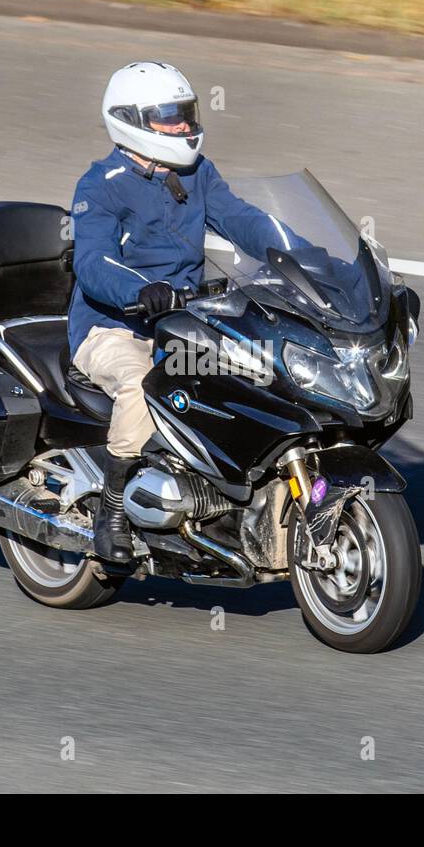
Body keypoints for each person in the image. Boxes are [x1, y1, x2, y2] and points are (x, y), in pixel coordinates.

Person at [68, 60, 309, 564]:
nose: (183, 126)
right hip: (114, 327)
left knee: (259, 373)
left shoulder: (197, 172)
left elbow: (241, 218)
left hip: (185, 322)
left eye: (186, 114)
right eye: (168, 117)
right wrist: (145, 289)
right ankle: (111, 510)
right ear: (130, 121)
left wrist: (300, 253)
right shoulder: (101, 184)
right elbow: (93, 262)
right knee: (143, 384)